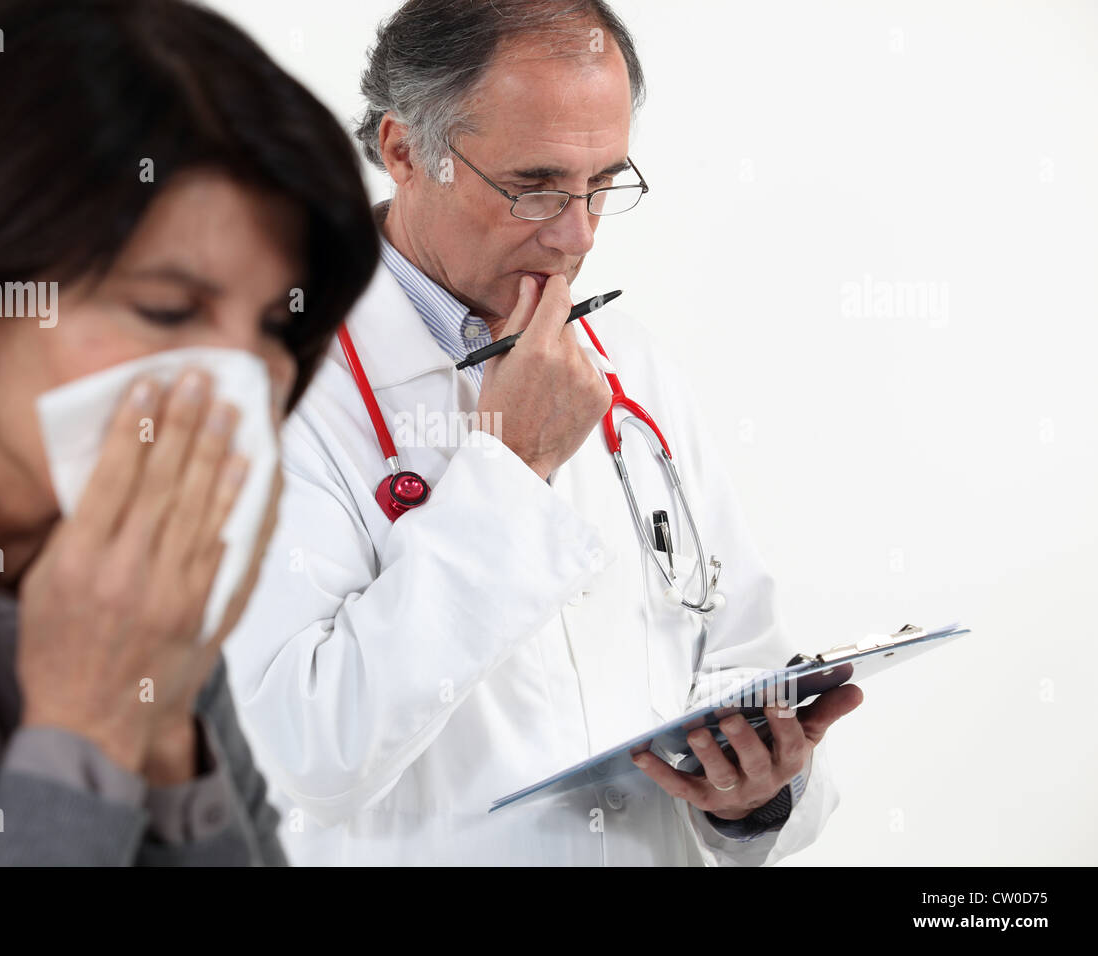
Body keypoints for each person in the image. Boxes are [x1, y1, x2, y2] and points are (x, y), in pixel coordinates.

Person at [227, 0, 863, 865]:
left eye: (604, 184)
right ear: (404, 150)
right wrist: (512, 469)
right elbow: (308, 754)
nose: (580, 234)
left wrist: (755, 793)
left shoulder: (632, 367)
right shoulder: (270, 387)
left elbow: (738, 654)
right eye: (536, 187)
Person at [0, 0, 378, 865]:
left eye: (270, 326)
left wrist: (168, 734)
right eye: (167, 308)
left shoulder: (132, 573)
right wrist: (90, 728)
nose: (244, 384)